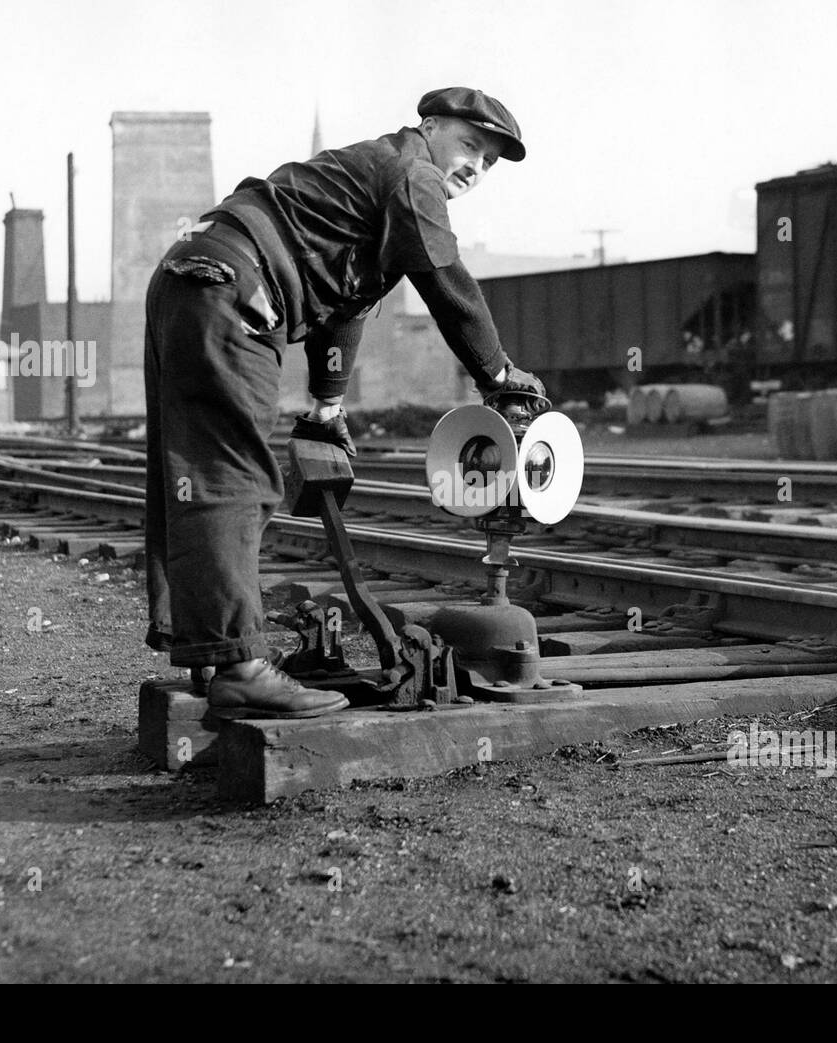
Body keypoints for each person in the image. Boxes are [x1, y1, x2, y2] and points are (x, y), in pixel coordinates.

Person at [143, 87, 546, 716]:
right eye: (470, 144)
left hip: (201, 277)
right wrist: (498, 374)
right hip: (231, 287)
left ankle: (215, 655)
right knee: (234, 477)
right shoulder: (415, 174)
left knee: (199, 473)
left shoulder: (380, 184)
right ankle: (239, 669)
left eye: (490, 160)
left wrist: (327, 405)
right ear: (431, 126)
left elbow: (345, 303)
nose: (475, 166)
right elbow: (445, 278)